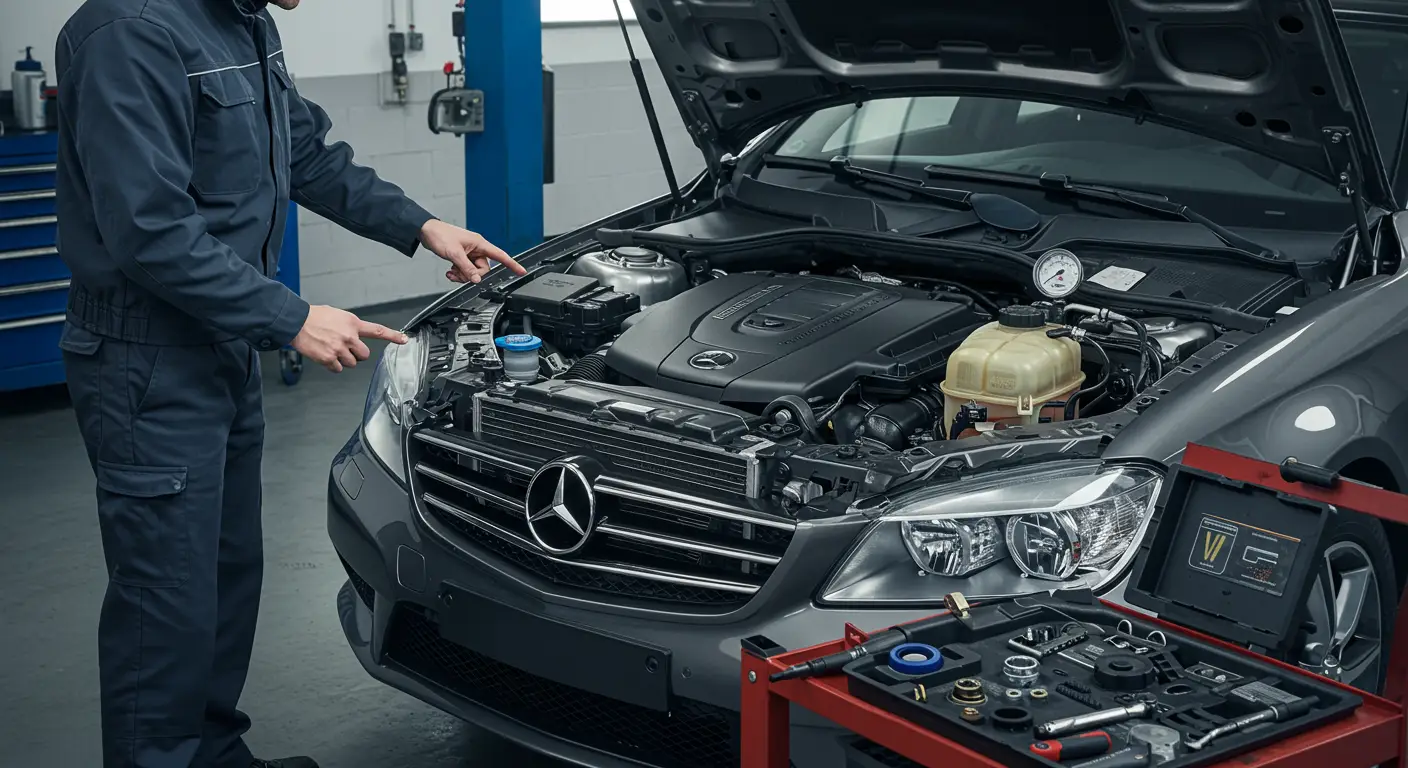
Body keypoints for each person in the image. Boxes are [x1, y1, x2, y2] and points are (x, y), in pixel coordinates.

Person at [52, 0, 527, 766]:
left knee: (224, 574)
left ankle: (210, 752)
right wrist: (290, 316)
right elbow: (148, 231)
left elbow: (305, 155)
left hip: (220, 344)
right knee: (164, 598)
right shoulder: (127, 33)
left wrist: (418, 225)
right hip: (148, 360)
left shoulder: (244, 20)